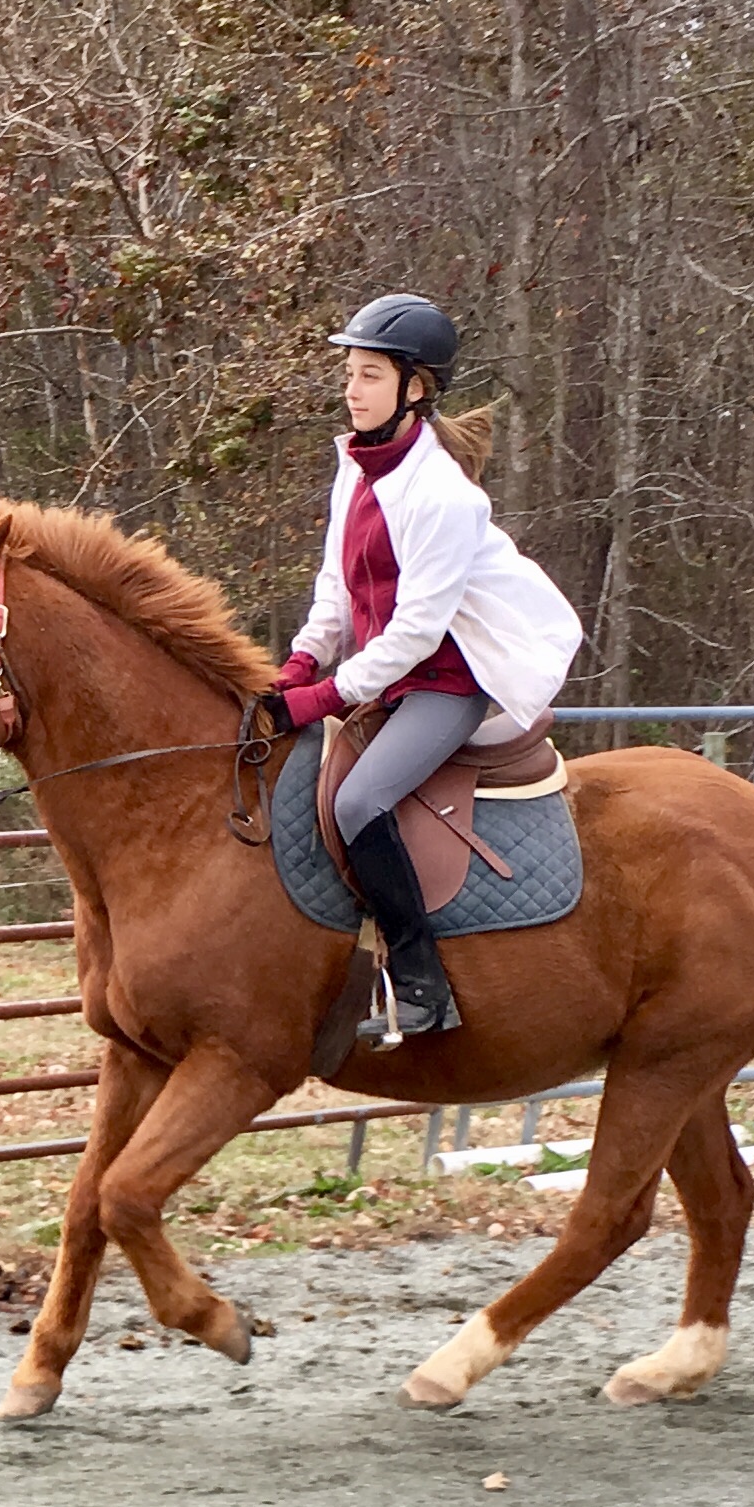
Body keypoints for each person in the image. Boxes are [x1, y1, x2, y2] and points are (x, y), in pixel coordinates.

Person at [271, 293, 584, 1038]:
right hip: (390, 679)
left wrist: (324, 696)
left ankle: (422, 983)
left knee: (358, 802)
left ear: (415, 388)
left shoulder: (442, 494)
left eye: (370, 375)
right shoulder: (356, 468)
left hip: (446, 683)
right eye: (350, 373)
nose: (352, 389)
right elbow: (335, 586)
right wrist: (302, 659)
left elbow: (416, 631)